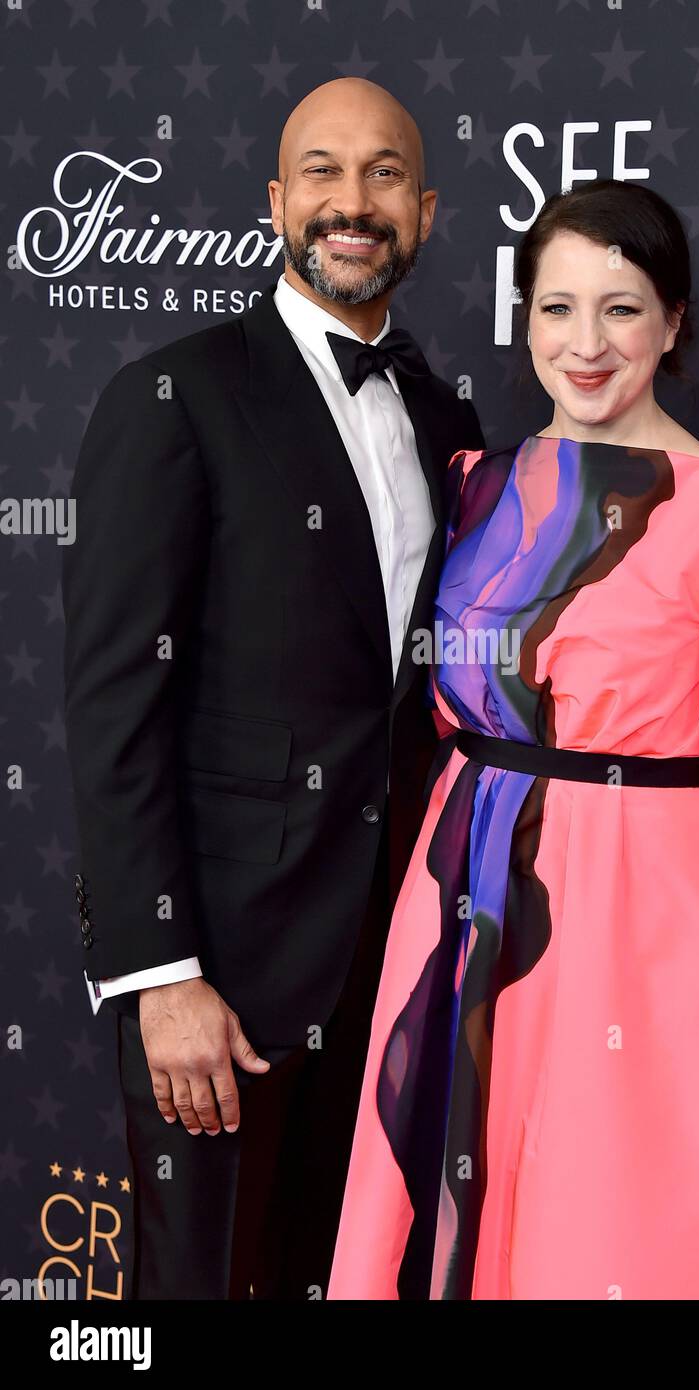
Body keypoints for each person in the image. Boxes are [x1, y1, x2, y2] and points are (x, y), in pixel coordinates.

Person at [326, 178, 699, 1300]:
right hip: (462, 895)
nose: (586, 344)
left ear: (674, 322)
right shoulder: (474, 487)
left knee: (617, 1230)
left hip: (645, 923)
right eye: (557, 307)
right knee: (453, 1198)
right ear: (523, 316)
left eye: (623, 308)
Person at [62, 78, 484, 1299]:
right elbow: (111, 704)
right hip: (221, 979)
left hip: (386, 964)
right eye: (322, 173)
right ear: (276, 201)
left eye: (386, 174)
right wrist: (160, 974)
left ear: (428, 208)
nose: (352, 203)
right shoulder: (175, 395)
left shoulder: (443, 413)